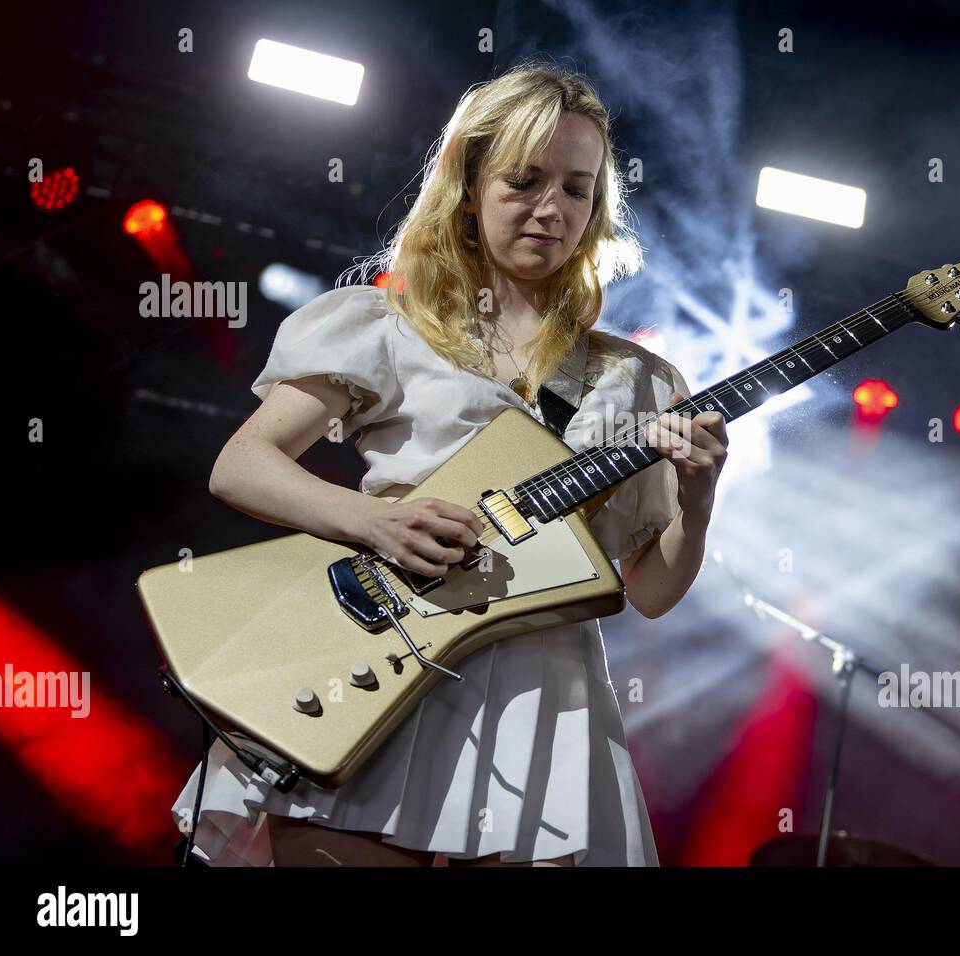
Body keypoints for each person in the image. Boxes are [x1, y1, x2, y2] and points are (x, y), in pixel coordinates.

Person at [169, 60, 729, 867]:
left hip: (546, 698)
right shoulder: (385, 326)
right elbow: (242, 465)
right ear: (468, 185)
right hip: (381, 656)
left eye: (578, 189)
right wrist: (377, 521)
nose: (552, 210)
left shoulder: (639, 381)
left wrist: (697, 504)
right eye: (525, 181)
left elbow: (650, 590)